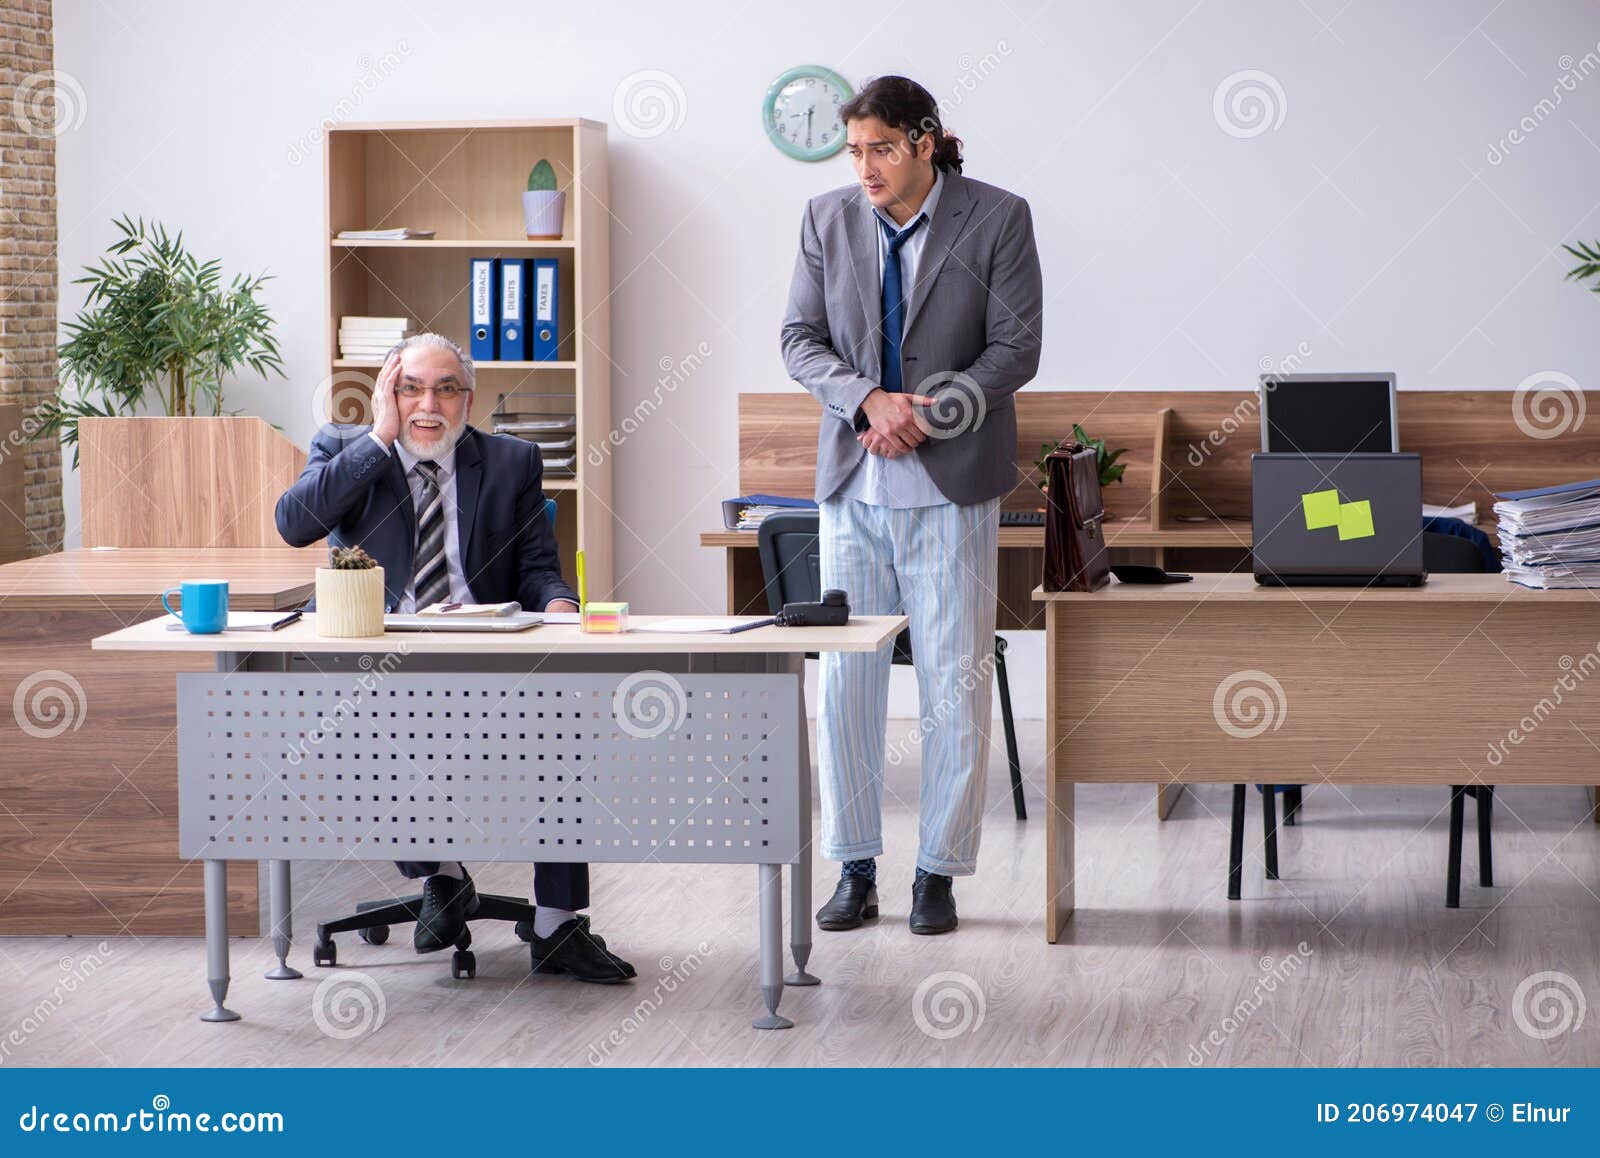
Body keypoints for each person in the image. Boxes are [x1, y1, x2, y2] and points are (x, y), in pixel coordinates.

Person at [275, 333, 635, 983]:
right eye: (410, 387)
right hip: (380, 664)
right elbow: (293, 523)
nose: (428, 404)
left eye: (445, 388)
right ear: (387, 390)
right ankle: (440, 874)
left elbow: (538, 572)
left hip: (486, 660)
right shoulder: (345, 450)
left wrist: (561, 611)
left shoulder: (511, 461)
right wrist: (378, 436)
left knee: (565, 722)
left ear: (469, 399)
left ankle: (556, 926)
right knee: (369, 724)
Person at [780, 75, 1043, 935]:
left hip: (953, 481)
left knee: (951, 687)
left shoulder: (998, 216)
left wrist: (929, 413)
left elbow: (1016, 346)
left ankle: (938, 871)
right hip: (853, 483)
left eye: (881, 149)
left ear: (925, 142)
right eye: (854, 151)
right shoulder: (826, 219)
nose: (865, 168)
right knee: (846, 685)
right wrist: (867, 400)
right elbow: (800, 340)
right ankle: (855, 866)